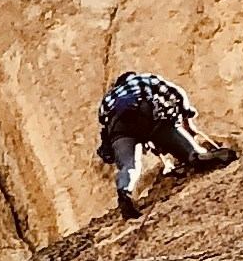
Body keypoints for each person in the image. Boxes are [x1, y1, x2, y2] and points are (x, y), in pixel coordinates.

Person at [96, 70, 233, 218]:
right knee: (169, 132)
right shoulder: (143, 79)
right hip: (146, 115)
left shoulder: (108, 99)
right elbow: (174, 93)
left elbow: (106, 125)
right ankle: (197, 155)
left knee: (128, 166)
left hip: (118, 128)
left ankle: (125, 191)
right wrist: (185, 118)